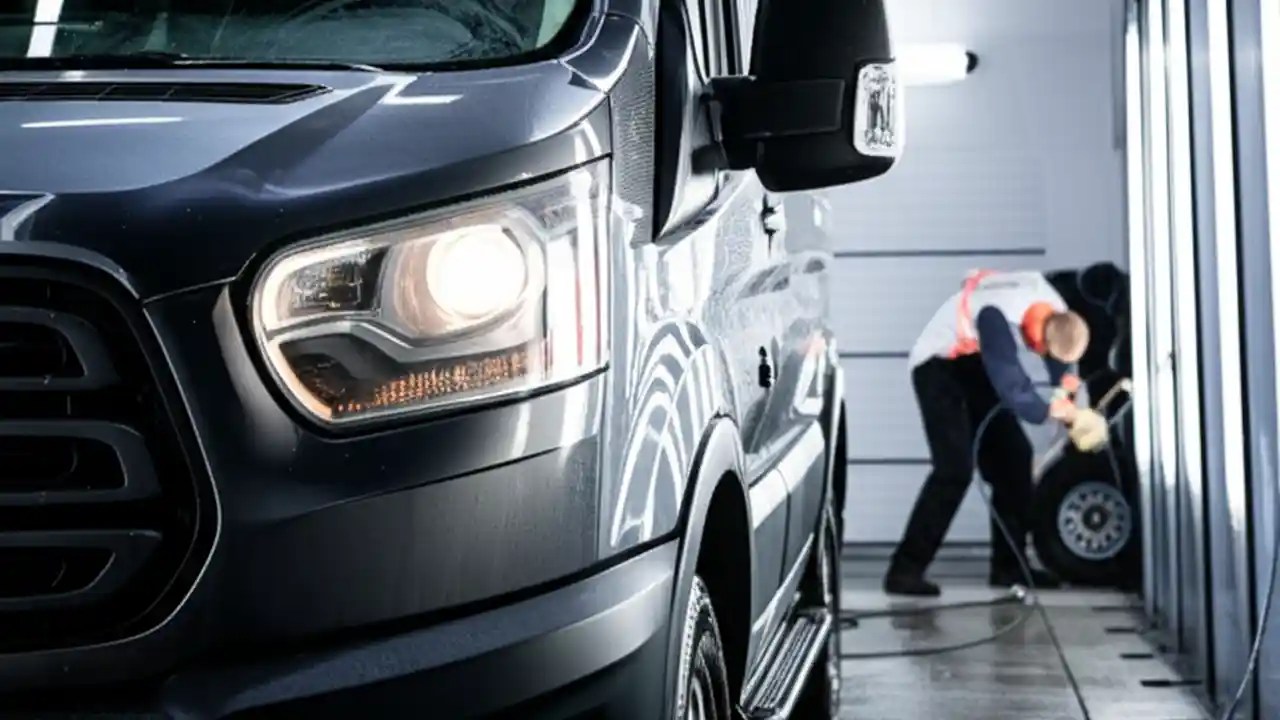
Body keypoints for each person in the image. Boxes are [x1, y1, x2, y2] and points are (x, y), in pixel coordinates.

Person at [884, 269, 1107, 597]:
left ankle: (1009, 568)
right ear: (1039, 335)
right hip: (937, 365)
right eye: (1041, 350)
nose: (1038, 354)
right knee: (954, 469)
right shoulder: (995, 315)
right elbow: (1012, 386)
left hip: (972, 361)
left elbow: (1061, 363)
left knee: (1014, 459)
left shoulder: (1055, 307)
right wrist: (1051, 411)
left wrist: (1069, 394)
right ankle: (904, 571)